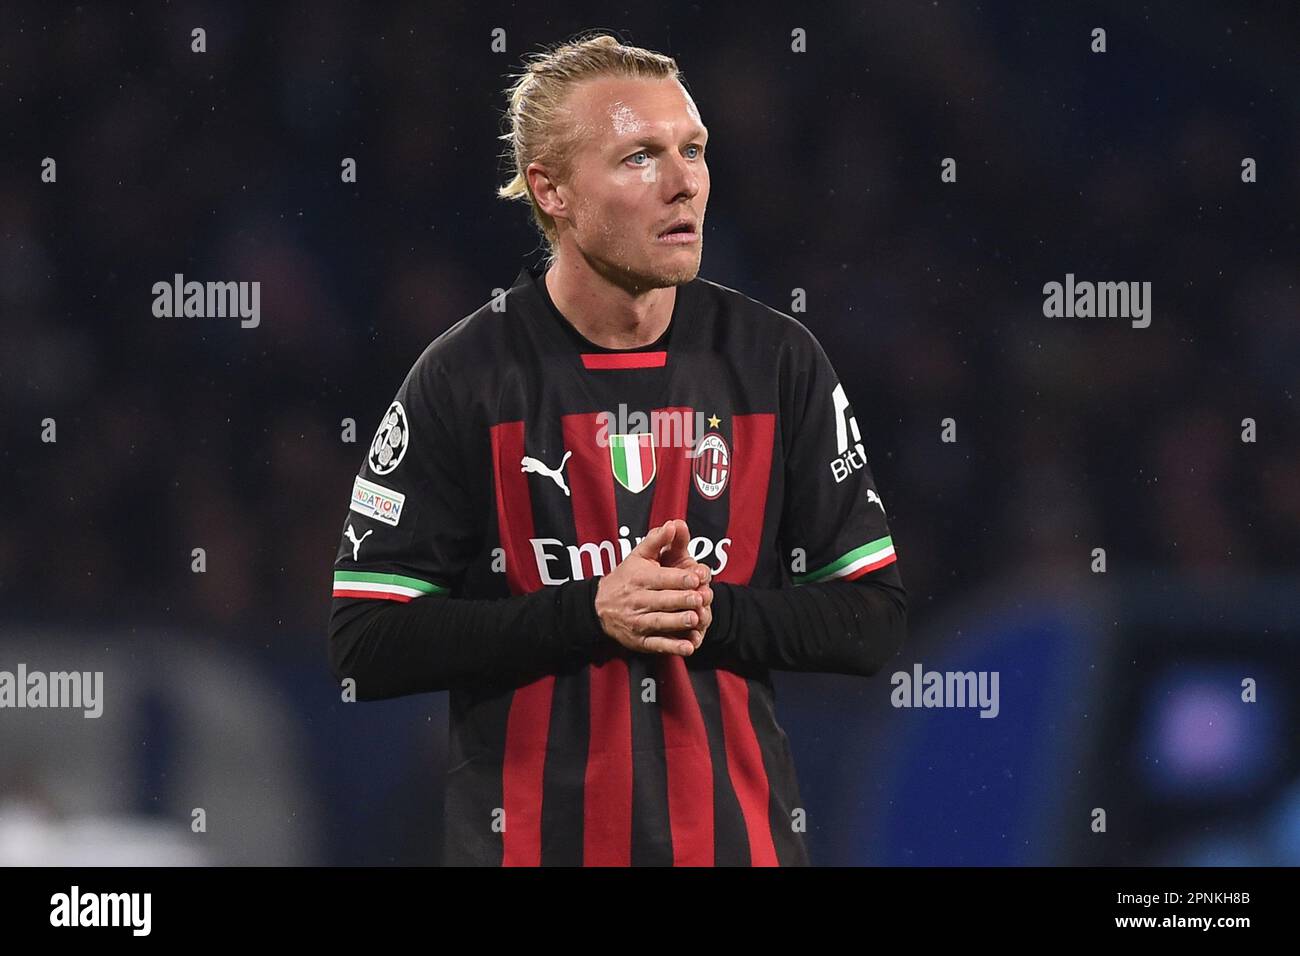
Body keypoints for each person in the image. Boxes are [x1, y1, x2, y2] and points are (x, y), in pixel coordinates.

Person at [328, 32, 907, 866]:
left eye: (694, 149)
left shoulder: (775, 361)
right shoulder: (465, 379)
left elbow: (871, 620)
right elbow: (366, 641)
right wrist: (589, 613)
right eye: (640, 157)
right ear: (551, 190)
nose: (685, 183)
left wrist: (710, 612)